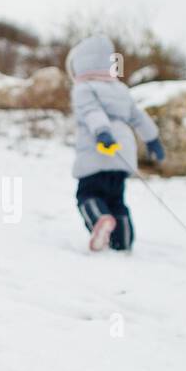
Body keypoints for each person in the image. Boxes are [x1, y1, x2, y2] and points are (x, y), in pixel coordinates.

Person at [67, 33, 165, 252]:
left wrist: (102, 132)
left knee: (88, 194)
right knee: (116, 198)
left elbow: (91, 111)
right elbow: (138, 116)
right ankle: (123, 238)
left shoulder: (84, 88)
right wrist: (152, 139)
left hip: (99, 149)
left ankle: (100, 220)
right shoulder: (120, 90)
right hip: (124, 153)